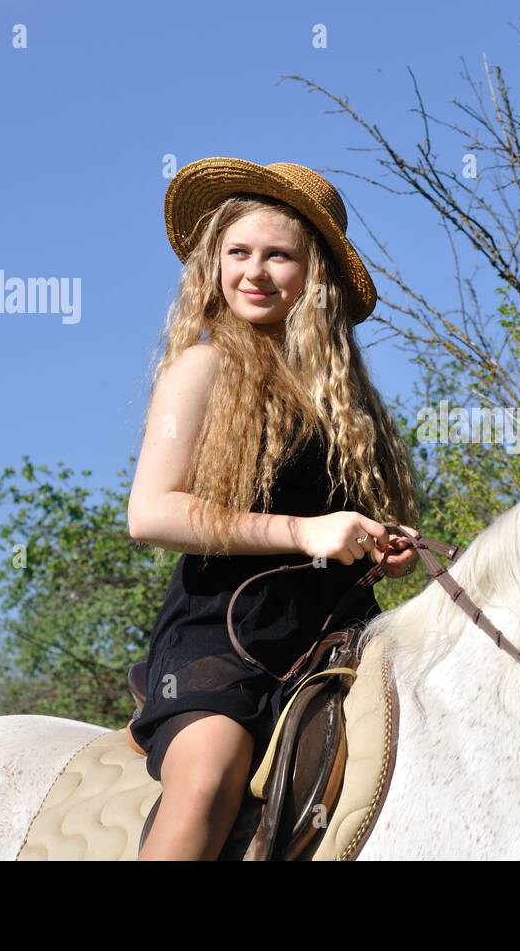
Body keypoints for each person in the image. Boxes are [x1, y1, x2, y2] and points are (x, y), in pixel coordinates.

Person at [126, 158, 421, 860]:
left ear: (312, 274)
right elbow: (150, 513)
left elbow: (348, 528)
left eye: (278, 255)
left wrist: (383, 545)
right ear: (214, 265)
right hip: (226, 637)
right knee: (207, 777)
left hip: (338, 637)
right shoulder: (201, 368)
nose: (255, 271)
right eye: (238, 253)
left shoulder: (345, 400)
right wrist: (305, 531)